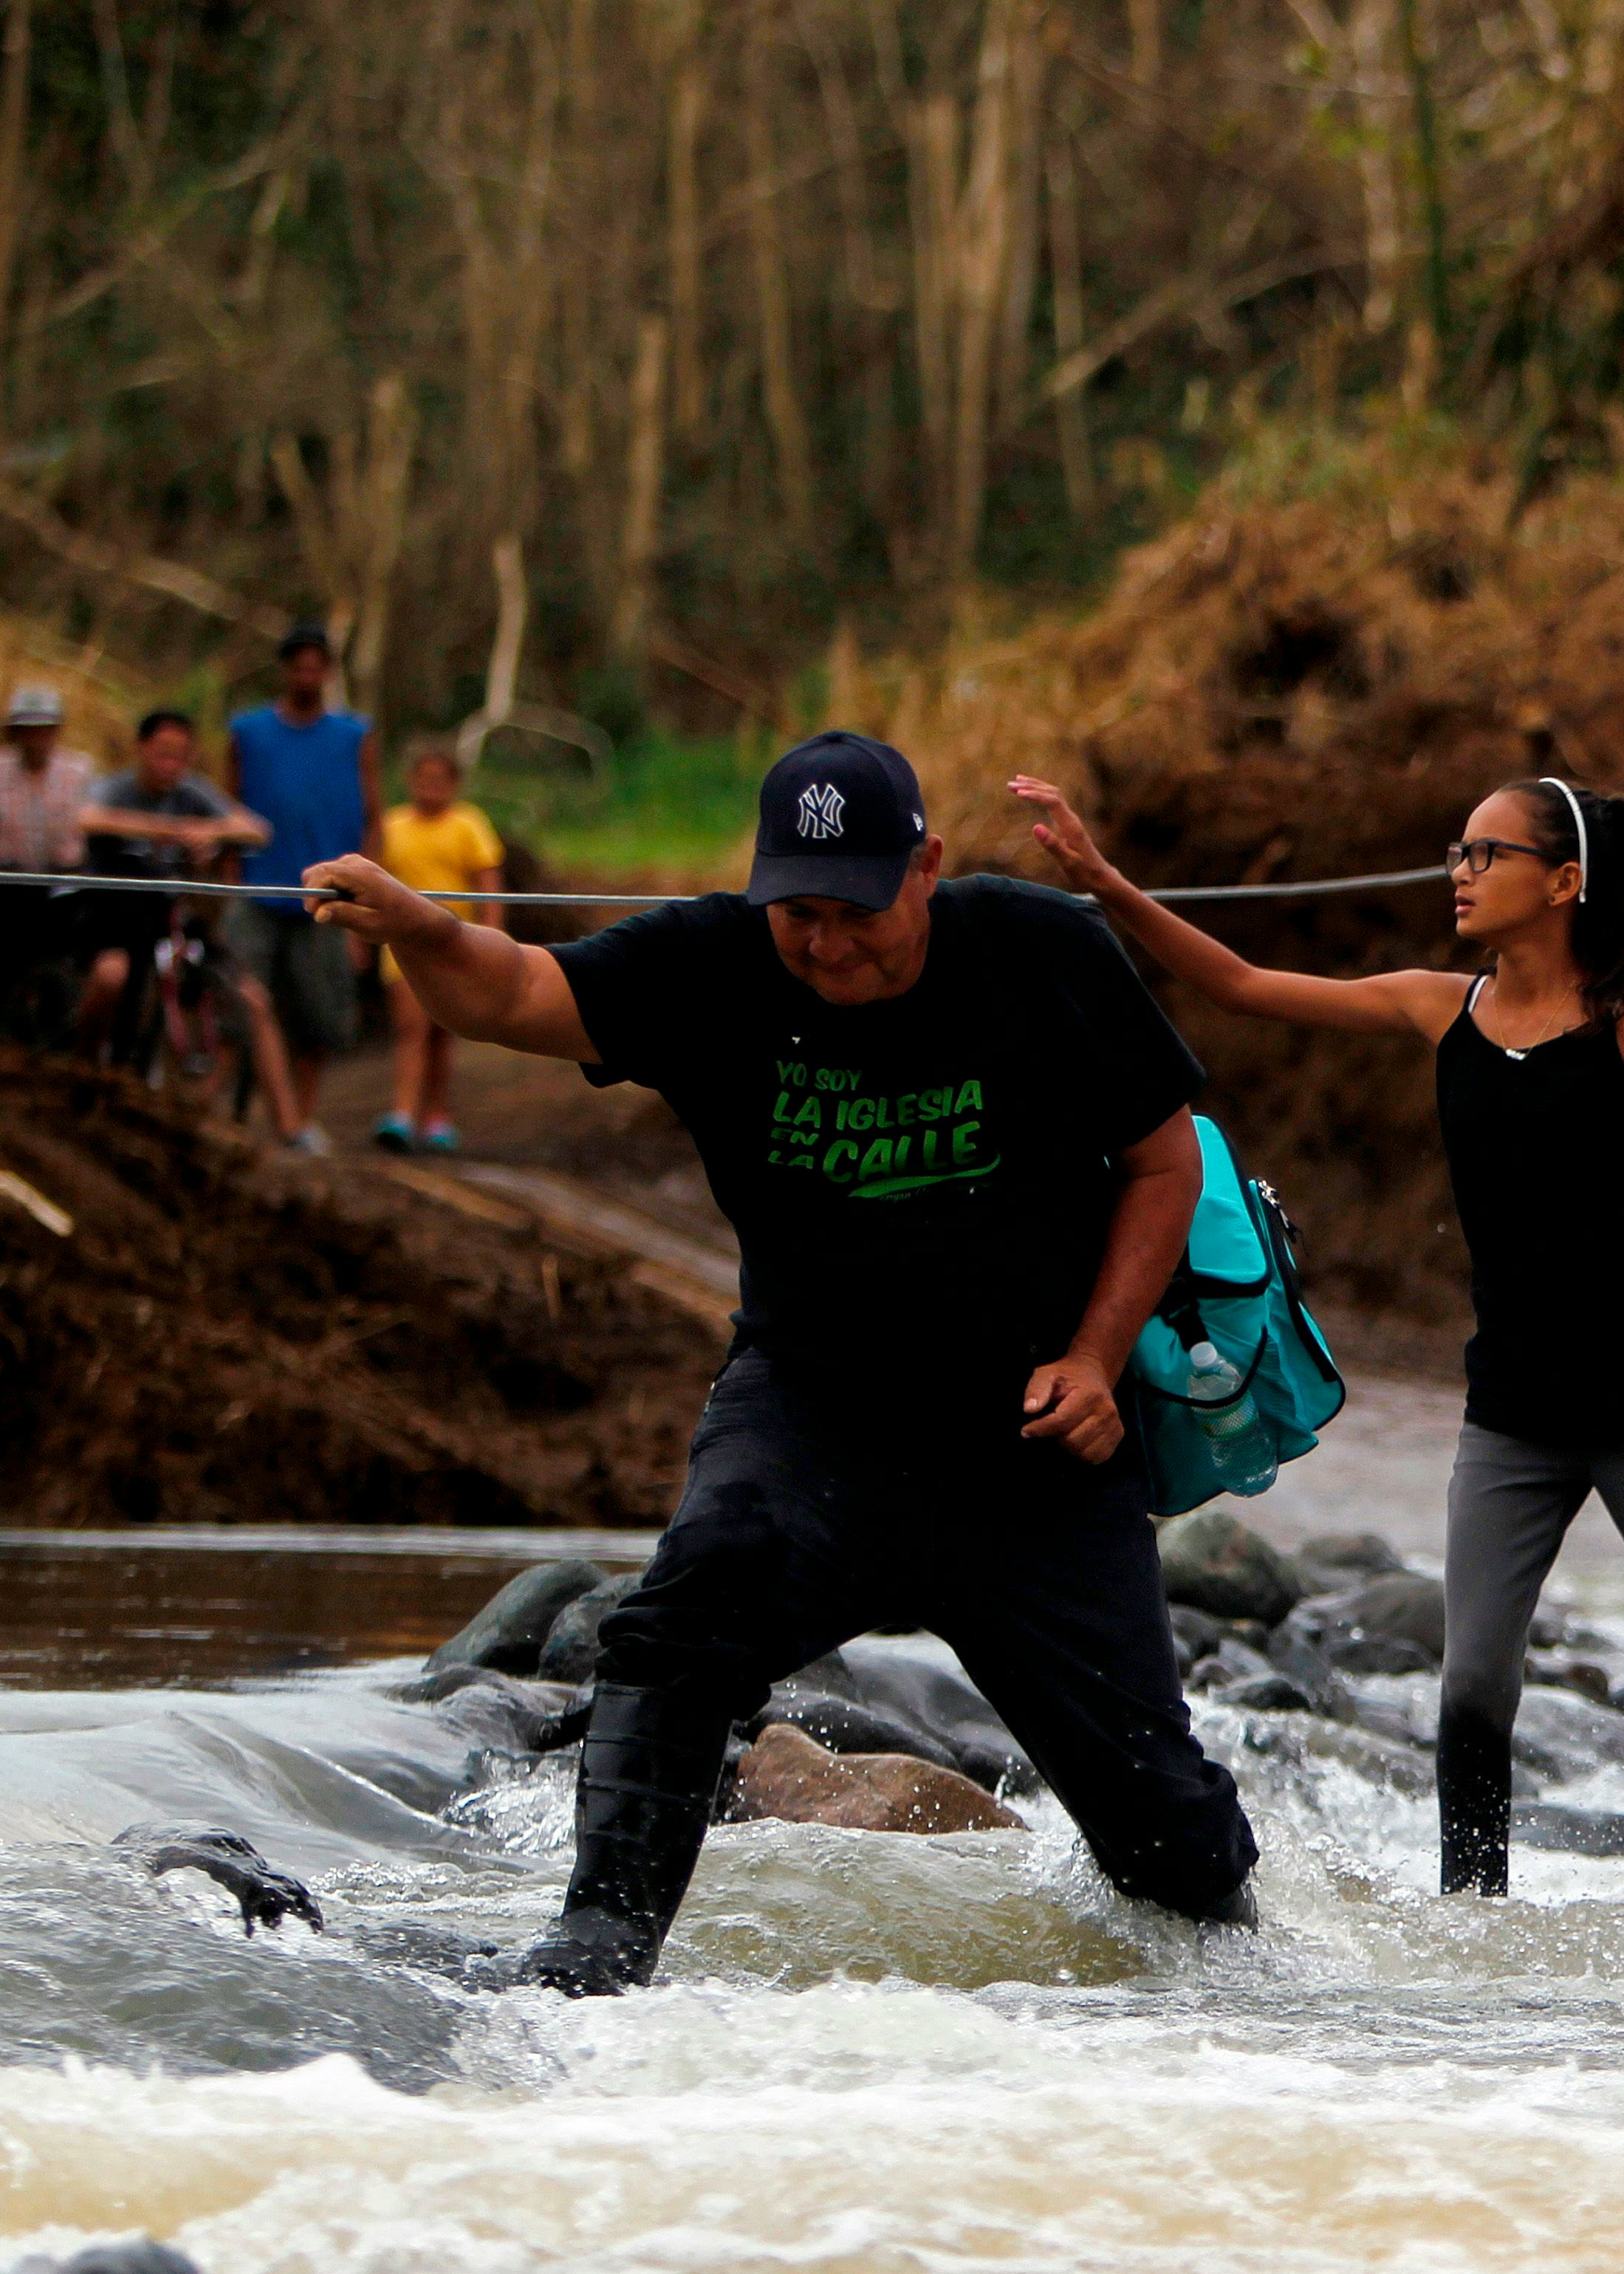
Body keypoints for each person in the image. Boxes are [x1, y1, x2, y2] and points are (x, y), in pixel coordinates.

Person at [301, 730, 1264, 1993]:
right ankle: (595, 1950)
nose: (825, 944)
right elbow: (515, 991)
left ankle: (1248, 1967)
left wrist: (1094, 1358)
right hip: (813, 1411)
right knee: (679, 1621)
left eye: (854, 912)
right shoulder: (710, 960)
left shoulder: (1040, 949)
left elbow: (1161, 1160)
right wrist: (421, 927)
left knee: (1165, 1840)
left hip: (1031, 1431)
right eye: (796, 913)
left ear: (924, 868)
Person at [1020, 770, 1624, 1921]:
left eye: (1485, 856)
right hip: (1509, 1418)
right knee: (1470, 1685)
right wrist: (1106, 882)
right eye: (1456, 853)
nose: (1458, 875)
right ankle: (1476, 1931)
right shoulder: (1437, 1007)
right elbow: (1245, 985)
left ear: (1563, 882)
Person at [228, 626, 383, 1151]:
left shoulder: (354, 735)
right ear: (285, 670)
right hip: (256, 892)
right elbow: (227, 812)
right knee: (238, 1001)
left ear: (329, 673)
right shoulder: (247, 732)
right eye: (298, 665)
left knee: (319, 1016)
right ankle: (234, 1118)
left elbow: (372, 819)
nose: (307, 676)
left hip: (328, 898)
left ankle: (301, 1122)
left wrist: (366, 907)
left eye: (317, 666)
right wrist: (226, 887)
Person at [78, 709, 270, 1068]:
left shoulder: (193, 791)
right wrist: (164, 830)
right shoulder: (116, 787)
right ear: (141, 748)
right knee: (111, 974)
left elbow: (256, 829)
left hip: (171, 913)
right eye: (163, 753)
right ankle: (85, 1064)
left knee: (247, 992)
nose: (171, 765)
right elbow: (86, 817)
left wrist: (208, 834)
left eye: (181, 756)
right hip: (113, 912)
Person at [370, 740, 508, 1152]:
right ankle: (402, 1113)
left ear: (454, 783)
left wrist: (493, 939)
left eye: (440, 778)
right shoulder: (391, 826)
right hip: (402, 945)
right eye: (424, 777)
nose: (431, 786)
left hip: (455, 944)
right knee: (411, 1028)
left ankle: (437, 1116)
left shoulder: (469, 824)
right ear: (411, 780)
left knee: (442, 1033)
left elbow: (488, 884)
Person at [0, 688, 100, 1019]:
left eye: (43, 728)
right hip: (10, 882)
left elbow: (95, 821)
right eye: (28, 729)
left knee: (62, 956)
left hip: (64, 883)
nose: (36, 737)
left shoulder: (80, 770)